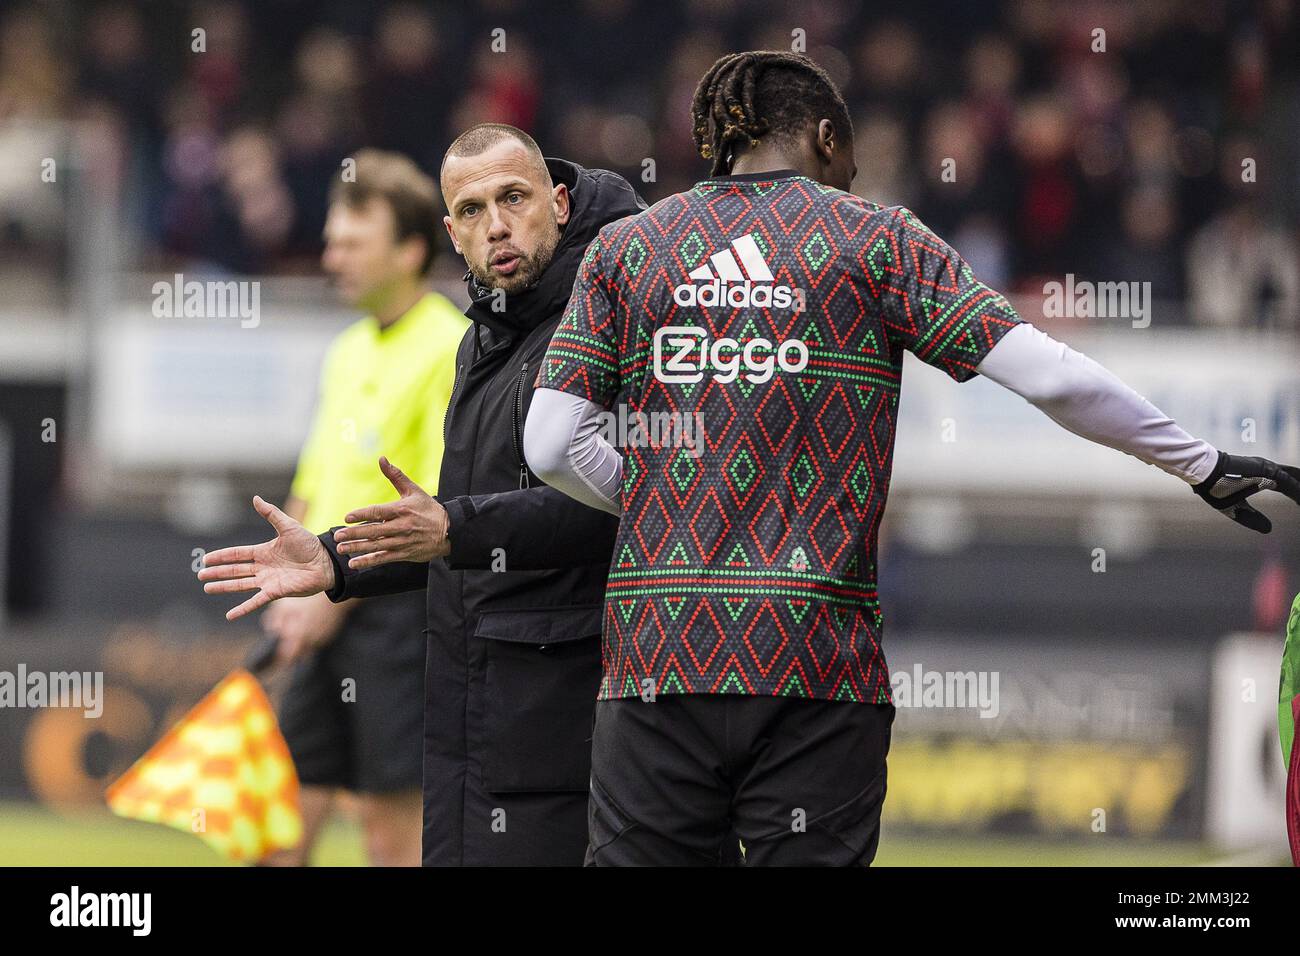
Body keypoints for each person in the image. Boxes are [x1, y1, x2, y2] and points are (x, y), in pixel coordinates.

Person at [521, 50, 1300, 866]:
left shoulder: (627, 249)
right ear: (826, 135)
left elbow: (550, 444)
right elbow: (1047, 373)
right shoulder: (874, 237)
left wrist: (659, 502)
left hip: (657, 657)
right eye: (847, 158)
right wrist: (1198, 463)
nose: (849, 177)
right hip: (817, 665)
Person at [198, 124, 645, 865]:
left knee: (391, 834)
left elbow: (596, 508)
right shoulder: (470, 338)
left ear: (560, 202)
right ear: (450, 233)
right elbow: (402, 501)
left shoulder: (564, 326)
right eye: (471, 211)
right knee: (278, 833)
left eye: (513, 198)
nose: (495, 224)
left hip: (479, 654)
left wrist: (427, 544)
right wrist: (330, 561)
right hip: (441, 643)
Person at [264, 149, 468, 866]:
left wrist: (331, 593)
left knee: (392, 840)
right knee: (277, 830)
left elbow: (429, 507)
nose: (332, 256)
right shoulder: (346, 349)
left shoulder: (451, 345)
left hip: (396, 616)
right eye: (331, 240)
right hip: (323, 601)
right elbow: (314, 481)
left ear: (411, 250)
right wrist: (287, 585)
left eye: (354, 243)